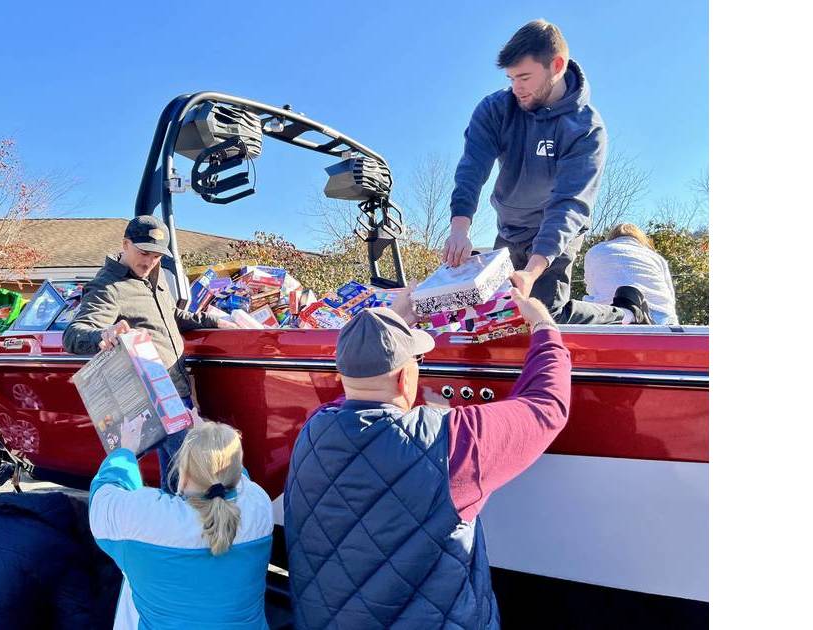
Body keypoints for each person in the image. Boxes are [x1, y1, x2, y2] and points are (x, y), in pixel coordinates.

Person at [283, 283, 571, 628]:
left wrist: (391, 324)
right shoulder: (449, 442)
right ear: (406, 377)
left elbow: (357, 397)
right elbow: (546, 406)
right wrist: (543, 323)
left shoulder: (313, 430)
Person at [442, 19, 652, 324]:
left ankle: (626, 313)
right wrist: (459, 228)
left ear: (556, 65)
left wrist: (532, 271)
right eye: (511, 77)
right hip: (510, 226)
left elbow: (569, 205)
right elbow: (472, 168)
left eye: (524, 77)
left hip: (555, 230)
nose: (516, 88)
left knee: (544, 312)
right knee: (503, 312)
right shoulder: (495, 109)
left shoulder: (585, 129)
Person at [63, 215, 238, 492]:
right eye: (143, 253)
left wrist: (214, 321)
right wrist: (103, 335)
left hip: (177, 391)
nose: (149, 261)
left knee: (176, 481)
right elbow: (73, 335)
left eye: (156, 255)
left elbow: (170, 315)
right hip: (154, 399)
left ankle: (175, 532)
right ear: (125, 244)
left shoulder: (154, 278)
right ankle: (204, 531)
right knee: (199, 477)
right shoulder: (108, 287)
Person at [89, 416, 274, 630]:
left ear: (183, 475)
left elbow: (103, 499)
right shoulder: (259, 506)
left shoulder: (147, 520)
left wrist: (125, 452)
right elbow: (240, 482)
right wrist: (211, 446)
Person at [584, 223, 680, 325]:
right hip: (658, 315)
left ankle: (630, 316)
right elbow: (670, 295)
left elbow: (590, 286)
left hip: (609, 313)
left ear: (612, 237)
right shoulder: (655, 257)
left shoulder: (595, 251)